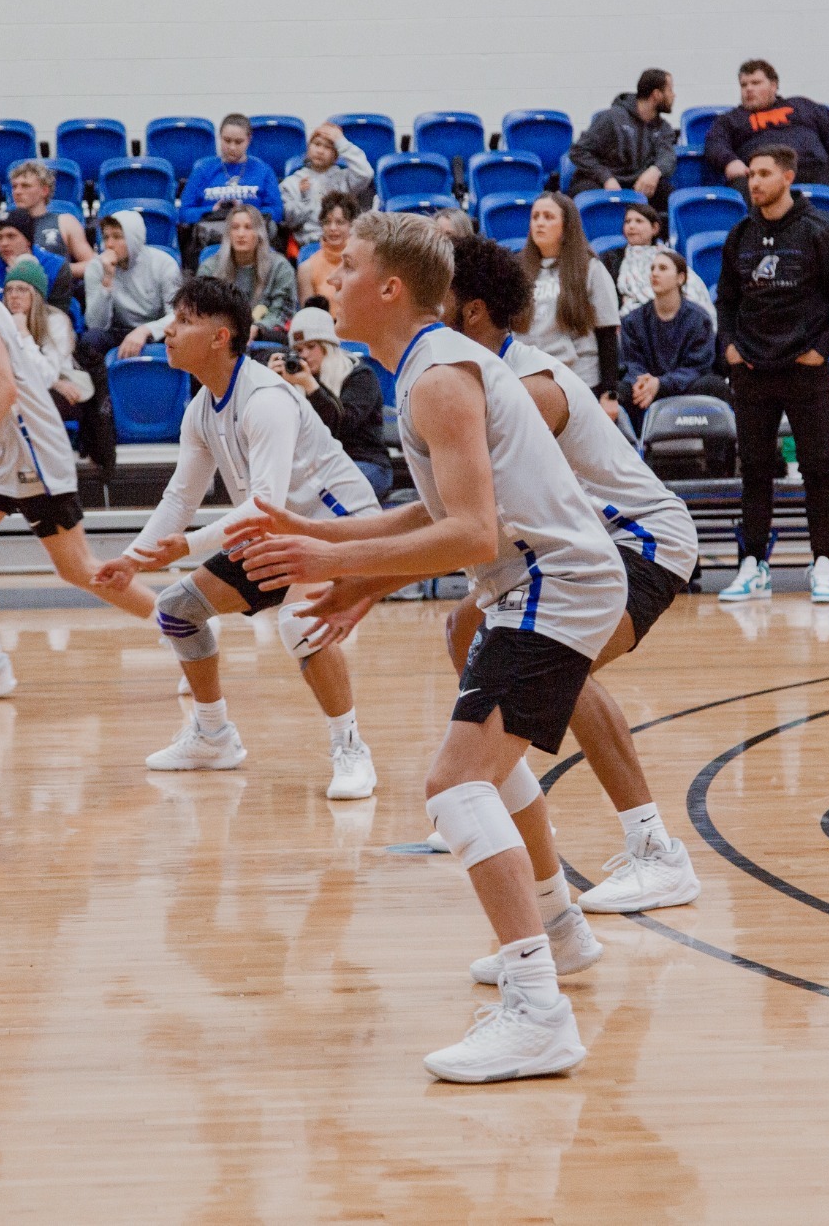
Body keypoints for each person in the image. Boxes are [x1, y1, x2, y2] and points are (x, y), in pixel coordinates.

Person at [229, 211, 626, 1083]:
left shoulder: (437, 379)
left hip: (550, 583)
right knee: (485, 768)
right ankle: (558, 934)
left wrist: (333, 555)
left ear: (390, 288)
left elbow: (473, 532)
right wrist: (345, 557)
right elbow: (439, 508)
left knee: (452, 783)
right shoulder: (430, 369)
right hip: (548, 580)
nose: (331, 279)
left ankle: (537, 1012)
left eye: (349, 266)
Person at [440, 234, 701, 925]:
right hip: (565, 549)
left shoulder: (532, 386)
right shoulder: (466, 377)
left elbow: (473, 512)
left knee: (559, 660)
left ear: (469, 311)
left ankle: (656, 849)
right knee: (464, 627)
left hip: (636, 535)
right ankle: (489, 794)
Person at [88, 277, 382, 801]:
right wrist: (133, 560)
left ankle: (350, 747)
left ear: (221, 337)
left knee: (300, 621)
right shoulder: (201, 408)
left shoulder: (266, 398)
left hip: (340, 528)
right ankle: (213, 735)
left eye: (182, 322)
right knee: (177, 609)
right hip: (278, 530)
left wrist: (190, 545)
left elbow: (264, 505)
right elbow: (181, 497)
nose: (168, 334)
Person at [0, 210, 158, 699]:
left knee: (79, 569)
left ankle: (179, 627)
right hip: (4, 453)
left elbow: (2, 392)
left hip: (30, 453)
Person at [714, 145, 829, 605]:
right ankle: (754, 564)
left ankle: (823, 562)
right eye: (751, 174)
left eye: (763, 174)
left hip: (804, 369)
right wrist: (731, 348)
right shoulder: (740, 234)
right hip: (753, 372)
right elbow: (725, 302)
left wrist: (820, 351)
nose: (754, 182)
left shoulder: (820, 230)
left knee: (818, 468)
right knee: (755, 471)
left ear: (787, 176)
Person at [2, 254, 114, 477]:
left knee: (34, 402)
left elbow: (46, 375)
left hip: (61, 394)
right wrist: (55, 382)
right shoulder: (0, 321)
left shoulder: (56, 322)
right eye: (9, 290)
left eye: (22, 289)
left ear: (37, 295)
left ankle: (50, 474)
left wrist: (23, 334)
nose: (14, 296)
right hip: (25, 389)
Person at [271, 305, 390, 498]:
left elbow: (342, 425)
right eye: (298, 349)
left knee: (326, 494)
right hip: (318, 467)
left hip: (364, 462)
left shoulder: (361, 375)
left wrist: (311, 386)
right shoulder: (295, 379)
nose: (305, 355)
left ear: (328, 347)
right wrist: (274, 384)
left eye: (311, 347)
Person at [703, 60, 829, 207]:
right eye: (744, 85)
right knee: (743, 193)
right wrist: (730, 162)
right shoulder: (731, 119)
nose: (749, 89)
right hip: (762, 175)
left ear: (773, 85)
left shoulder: (802, 106)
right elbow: (715, 143)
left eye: (756, 83)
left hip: (811, 168)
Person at [516, 191, 621, 390]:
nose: (539, 223)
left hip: (578, 381)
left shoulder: (590, 268)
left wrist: (610, 393)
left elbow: (607, 334)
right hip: (527, 379)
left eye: (548, 217)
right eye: (535, 216)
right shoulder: (517, 269)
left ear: (566, 227)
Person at [618, 248, 728, 431]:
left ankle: (719, 459)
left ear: (680, 278)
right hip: (646, 388)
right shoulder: (633, 320)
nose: (654, 273)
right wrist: (645, 383)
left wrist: (661, 384)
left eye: (662, 268)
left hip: (684, 385)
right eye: (652, 268)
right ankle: (634, 453)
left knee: (715, 386)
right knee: (618, 391)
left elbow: (698, 366)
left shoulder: (700, 318)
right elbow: (631, 363)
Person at [567, 68, 678, 209]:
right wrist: (605, 178)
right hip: (601, 181)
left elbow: (668, 156)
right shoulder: (611, 118)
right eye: (670, 90)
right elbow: (578, 151)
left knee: (671, 198)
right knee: (582, 194)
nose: (674, 95)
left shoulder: (664, 128)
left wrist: (655, 171)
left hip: (638, 185)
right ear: (656, 95)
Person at [85, 207, 183, 361]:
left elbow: (176, 315)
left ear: (134, 239)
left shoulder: (163, 263)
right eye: (106, 237)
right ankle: (106, 385)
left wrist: (145, 330)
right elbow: (96, 324)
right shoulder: (97, 267)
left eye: (117, 237)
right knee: (91, 340)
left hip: (157, 329)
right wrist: (107, 281)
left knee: (184, 337)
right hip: (119, 330)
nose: (109, 244)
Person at [178, 114, 283, 245]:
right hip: (211, 235)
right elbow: (184, 212)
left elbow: (277, 211)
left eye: (238, 142)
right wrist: (212, 211)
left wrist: (246, 213)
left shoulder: (263, 170)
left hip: (252, 237)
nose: (232, 147)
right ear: (219, 138)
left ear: (249, 139)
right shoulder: (202, 169)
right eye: (227, 141)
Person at [0, 161, 94, 276]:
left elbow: (92, 264)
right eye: (14, 186)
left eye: (25, 186)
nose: (17, 192)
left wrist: (50, 270)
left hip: (54, 291)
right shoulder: (0, 224)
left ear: (44, 190)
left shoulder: (65, 222)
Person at [201, 203, 296, 344]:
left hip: (265, 338)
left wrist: (257, 328)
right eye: (235, 228)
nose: (241, 234)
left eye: (248, 227)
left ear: (259, 233)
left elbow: (283, 313)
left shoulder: (280, 267)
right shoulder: (210, 268)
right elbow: (204, 312)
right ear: (228, 234)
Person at [600, 202, 714, 320]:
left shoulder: (670, 256)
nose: (631, 226)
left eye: (639, 221)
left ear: (654, 228)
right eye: (627, 221)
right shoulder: (611, 257)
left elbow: (691, 286)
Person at [281, 122, 371, 248]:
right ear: (308, 148)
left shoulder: (344, 178)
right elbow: (290, 221)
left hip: (343, 243)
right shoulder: (293, 182)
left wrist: (341, 143)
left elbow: (366, 173)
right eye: (317, 144)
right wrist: (305, 200)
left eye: (328, 147)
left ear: (336, 155)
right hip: (310, 243)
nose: (320, 151)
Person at [0, 209, 71, 309]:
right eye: (0, 237)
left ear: (28, 240)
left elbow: (58, 316)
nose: (4, 243)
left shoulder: (56, 267)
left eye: (11, 236)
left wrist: (26, 277)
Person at [297, 190, 358, 302]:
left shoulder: (363, 263)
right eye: (327, 222)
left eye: (340, 222)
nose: (332, 228)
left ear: (352, 225)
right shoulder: (306, 269)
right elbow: (308, 315)